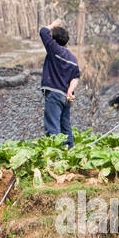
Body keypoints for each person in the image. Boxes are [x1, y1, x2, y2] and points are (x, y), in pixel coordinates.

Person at [39, 18, 80, 147]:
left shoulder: (54, 49)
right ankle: (70, 151)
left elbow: (43, 32)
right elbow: (76, 77)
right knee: (65, 125)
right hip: (65, 96)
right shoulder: (72, 58)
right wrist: (69, 91)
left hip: (54, 94)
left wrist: (52, 25)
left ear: (55, 40)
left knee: (52, 127)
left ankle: (56, 156)